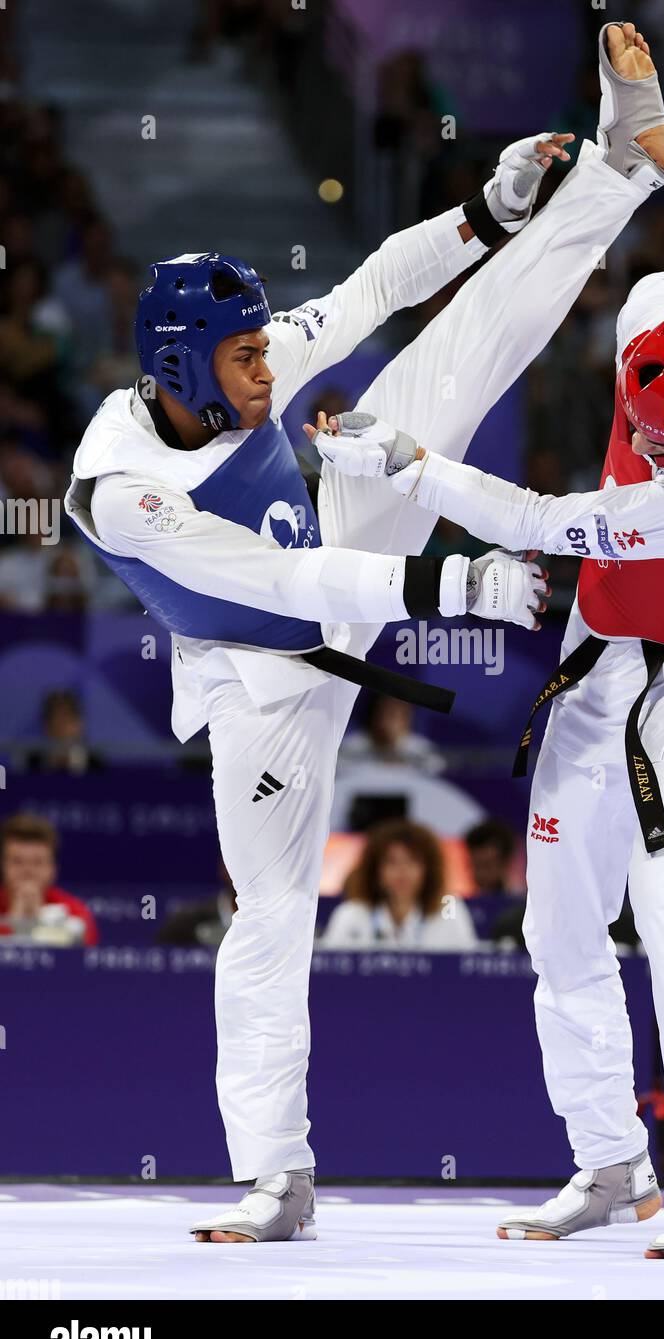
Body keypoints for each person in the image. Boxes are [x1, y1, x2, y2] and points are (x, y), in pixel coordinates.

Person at [309, 23, 664, 1260]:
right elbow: (601, 317)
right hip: (604, 655)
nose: (651, 438)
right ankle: (608, 1162)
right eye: (640, 420)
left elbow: (533, 521)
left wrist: (413, 464)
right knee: (554, 922)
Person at [63, 117, 588, 1243]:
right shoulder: (121, 490)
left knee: (456, 355)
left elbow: (365, 290)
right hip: (266, 681)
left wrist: (483, 215)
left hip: (336, 539)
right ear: (175, 365)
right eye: (246, 358)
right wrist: (455, 586)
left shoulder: (234, 365)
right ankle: (275, 1178)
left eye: (263, 348)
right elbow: (289, 584)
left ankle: (616, 184)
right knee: (270, 917)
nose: (269, 367)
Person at [321, 820, 476, 951]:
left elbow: (467, 971)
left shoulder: (450, 909)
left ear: (428, 869)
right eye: (391, 862)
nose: (402, 871)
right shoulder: (350, 914)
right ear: (375, 869)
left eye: (412, 861)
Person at [0, 813, 98, 946]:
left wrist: (39, 920)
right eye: (17, 861)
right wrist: (14, 920)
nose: (27, 871)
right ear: (3, 865)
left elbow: (76, 961)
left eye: (38, 862)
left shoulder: (75, 911)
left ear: (53, 868)